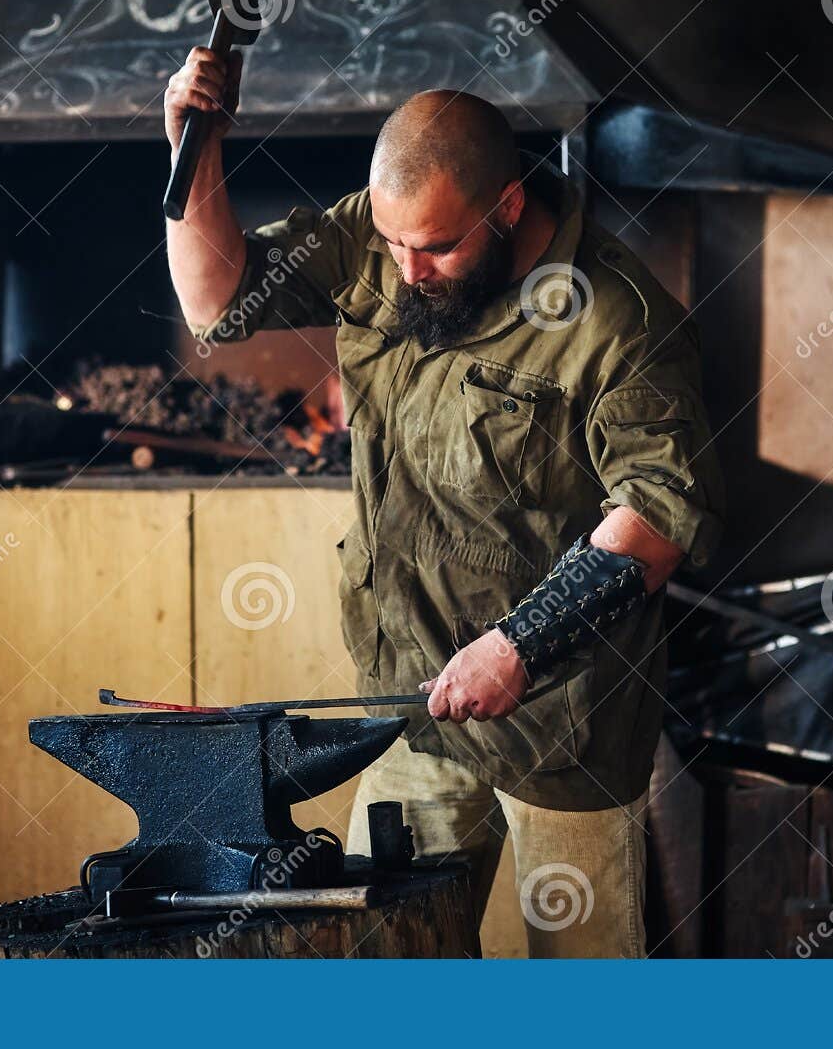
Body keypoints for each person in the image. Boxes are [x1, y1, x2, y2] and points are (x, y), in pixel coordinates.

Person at [163, 48, 724, 957]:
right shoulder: (375, 245)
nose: (408, 270)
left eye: (435, 247)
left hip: (561, 722)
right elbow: (214, 300)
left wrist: (519, 645)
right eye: (392, 242)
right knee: (383, 976)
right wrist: (194, 148)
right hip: (412, 704)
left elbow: (659, 514)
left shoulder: (616, 321)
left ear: (507, 208)